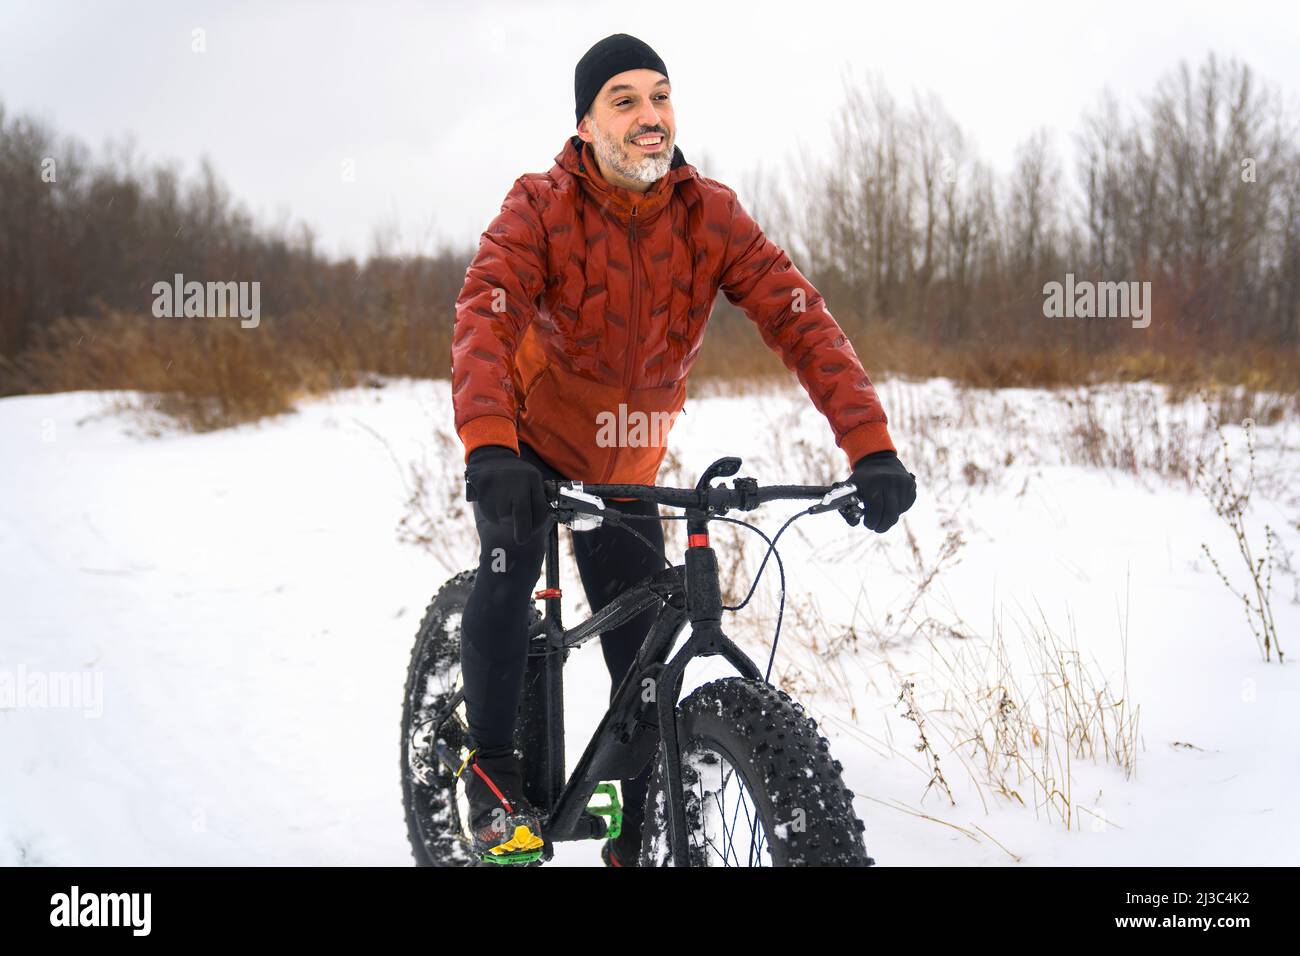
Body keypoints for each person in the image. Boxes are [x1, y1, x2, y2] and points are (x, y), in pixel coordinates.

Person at [450, 33, 917, 866]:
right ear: (586, 125)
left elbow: (798, 318)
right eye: (623, 100)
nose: (649, 116)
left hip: (627, 459)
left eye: (659, 96)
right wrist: (491, 448)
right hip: (531, 447)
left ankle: (640, 824)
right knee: (508, 569)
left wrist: (870, 446)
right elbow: (487, 313)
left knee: (644, 645)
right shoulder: (540, 205)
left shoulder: (711, 215)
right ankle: (490, 774)